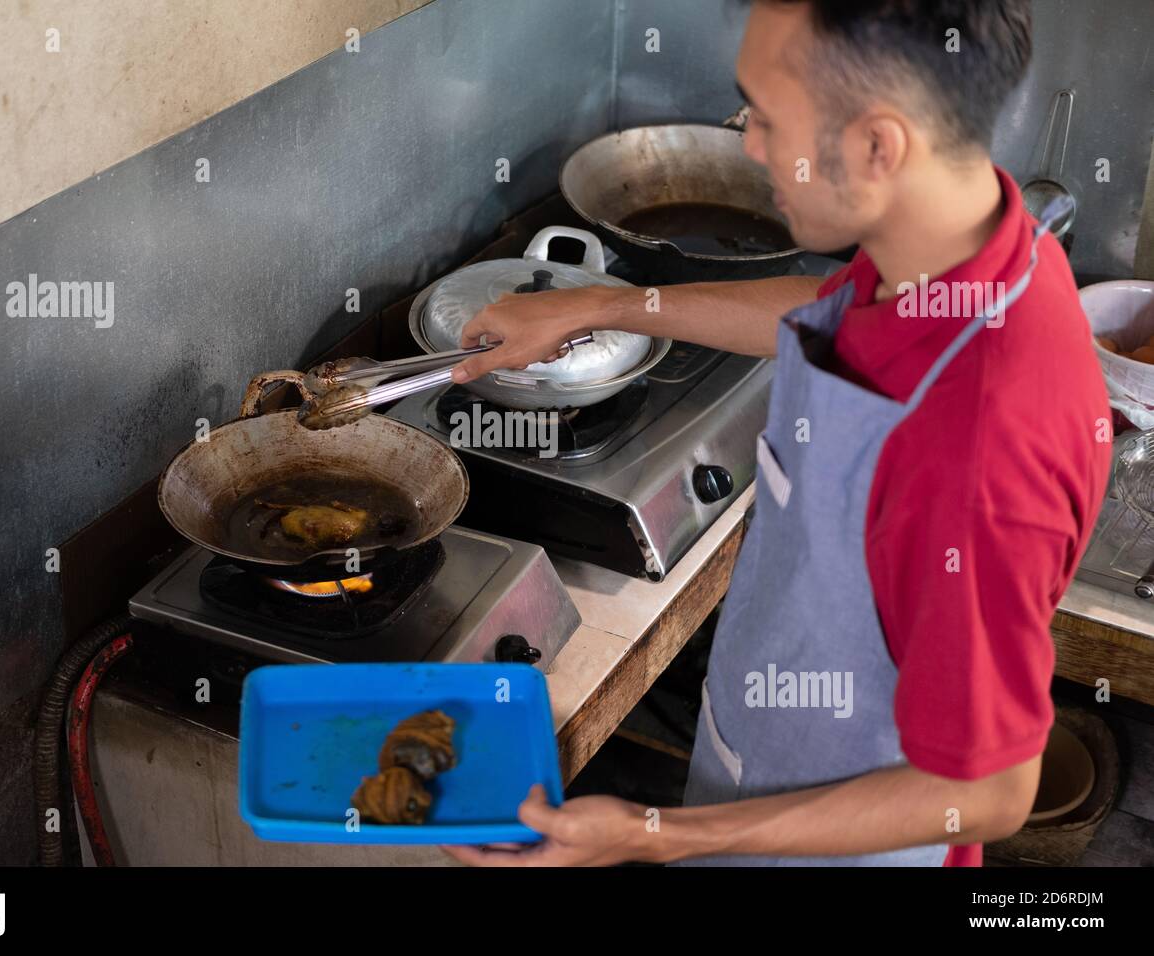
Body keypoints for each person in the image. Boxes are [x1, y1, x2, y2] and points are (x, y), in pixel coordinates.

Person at [442, 0, 1110, 867]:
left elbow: (989, 790)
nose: (750, 144)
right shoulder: (965, 244)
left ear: (878, 146)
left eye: (765, 116)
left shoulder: (976, 450)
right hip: (760, 767)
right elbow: (827, 311)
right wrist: (603, 304)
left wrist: (653, 836)